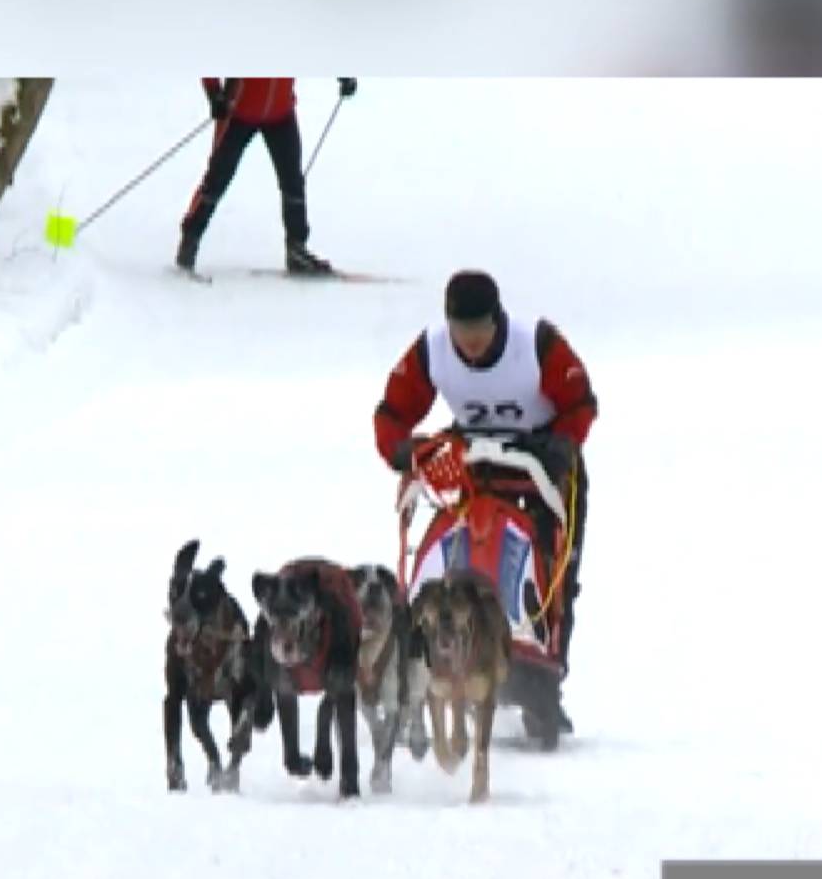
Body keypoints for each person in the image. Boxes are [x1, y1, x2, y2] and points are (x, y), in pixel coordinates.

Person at [373, 269, 598, 731]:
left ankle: (543, 681)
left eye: (479, 331)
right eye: (462, 332)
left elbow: (580, 401)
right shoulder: (432, 349)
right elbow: (392, 411)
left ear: (497, 321)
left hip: (543, 463)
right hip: (471, 462)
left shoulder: (535, 343)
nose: (470, 343)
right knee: (456, 552)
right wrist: (401, 449)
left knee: (557, 571)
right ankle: (426, 652)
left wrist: (563, 442)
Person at [177, 78, 355, 277]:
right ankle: (190, 241)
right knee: (216, 180)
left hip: (281, 114)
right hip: (237, 114)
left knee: (292, 182)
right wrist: (214, 95)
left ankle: (297, 249)